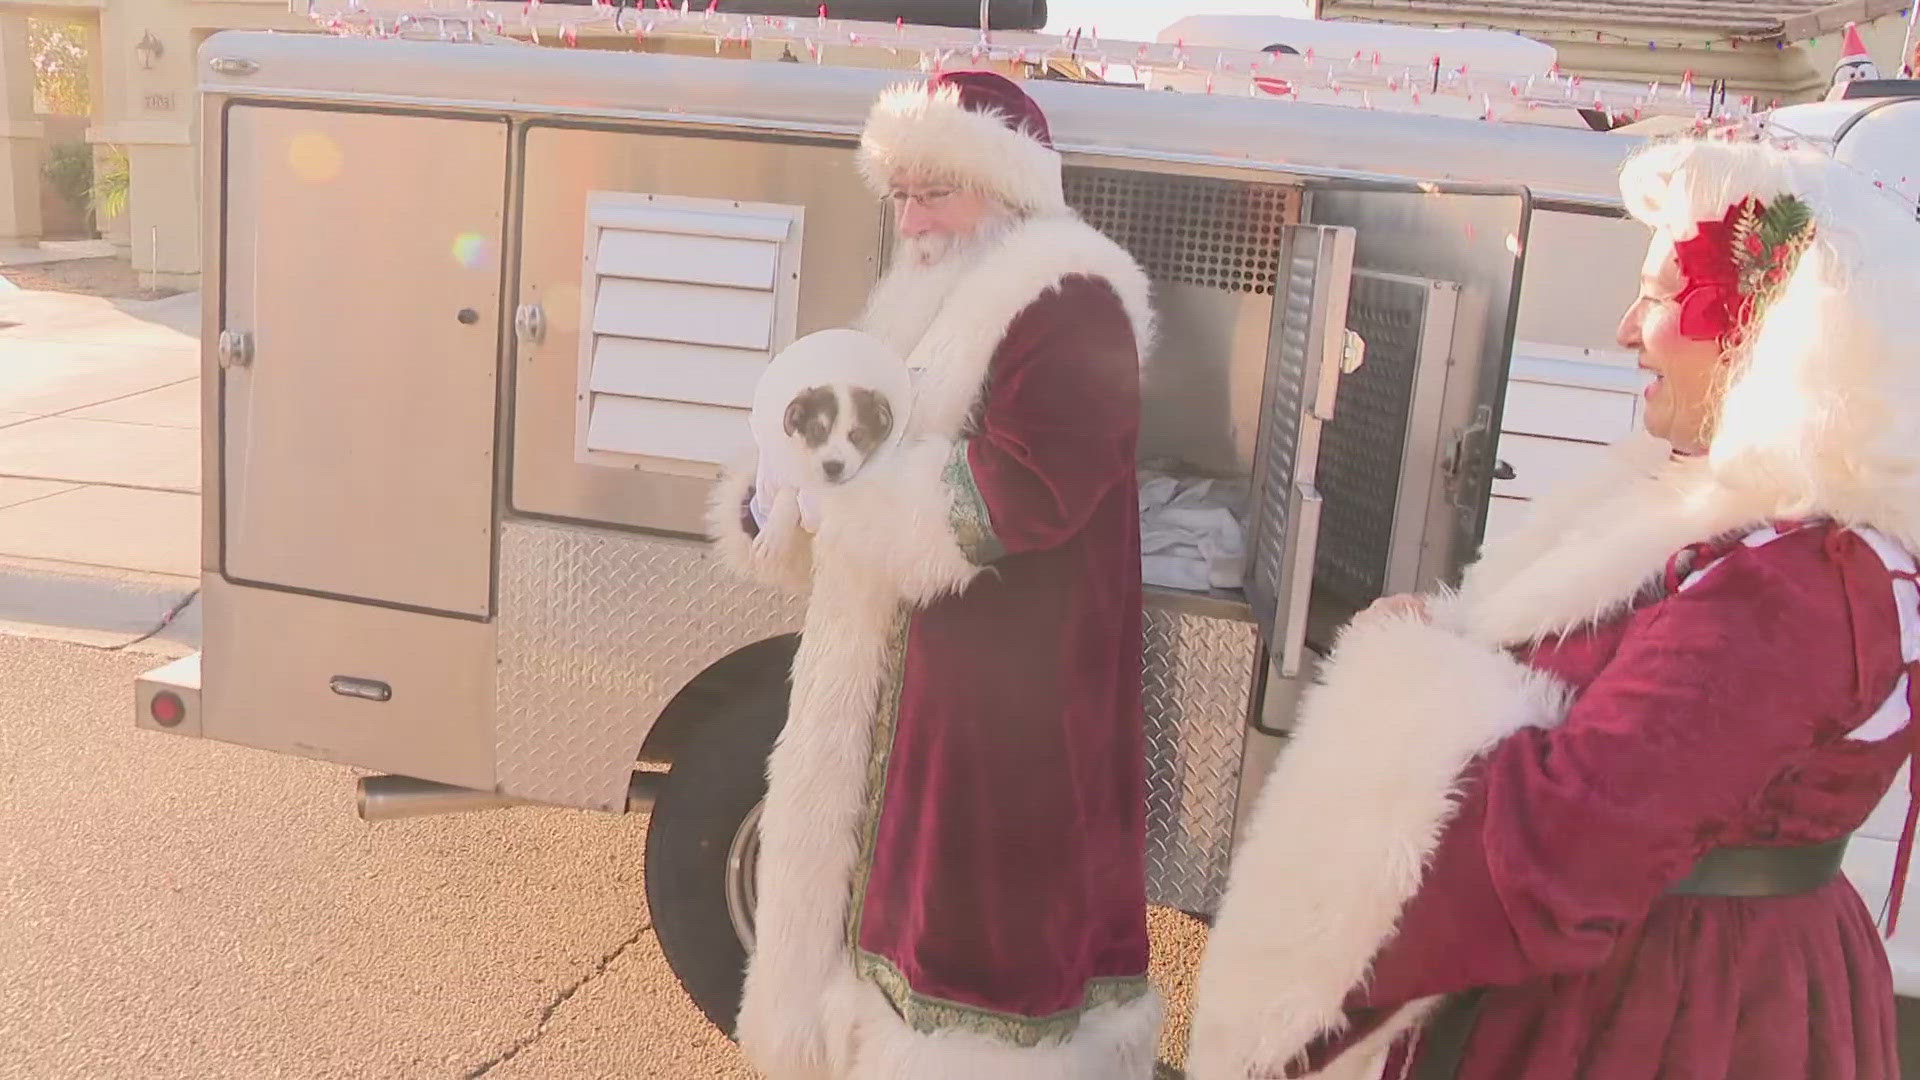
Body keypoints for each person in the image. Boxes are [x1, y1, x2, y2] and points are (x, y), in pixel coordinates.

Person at [1187, 135, 1920, 1080]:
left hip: (1672, 1015)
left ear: (1767, 333)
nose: (1624, 328)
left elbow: (1561, 854)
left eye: (1658, 297)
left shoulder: (1801, 584)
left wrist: (1405, 692)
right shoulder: (1728, 528)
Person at [707, 71, 1160, 1079]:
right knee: (883, 944)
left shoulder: (1070, 293)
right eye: (900, 192)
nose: (911, 217)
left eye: (934, 190)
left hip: (1003, 711)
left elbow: (1031, 486)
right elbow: (849, 438)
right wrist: (777, 493)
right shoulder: (928, 291)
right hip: (911, 690)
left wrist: (848, 500)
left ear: (1002, 187)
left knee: (972, 974)